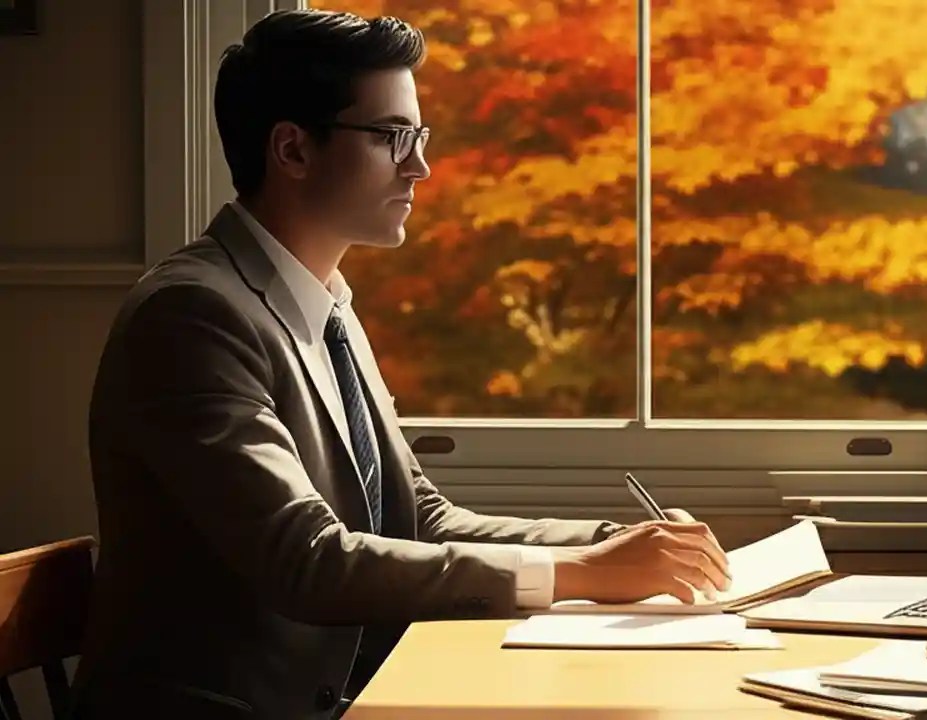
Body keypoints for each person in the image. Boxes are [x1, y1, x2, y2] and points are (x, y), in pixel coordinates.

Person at [71, 9, 730, 719]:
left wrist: (613, 544)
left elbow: (418, 518)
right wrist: (581, 572)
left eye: (418, 137)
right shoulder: (192, 315)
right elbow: (307, 559)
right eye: (392, 138)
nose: (419, 166)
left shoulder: (325, 301)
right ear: (292, 149)